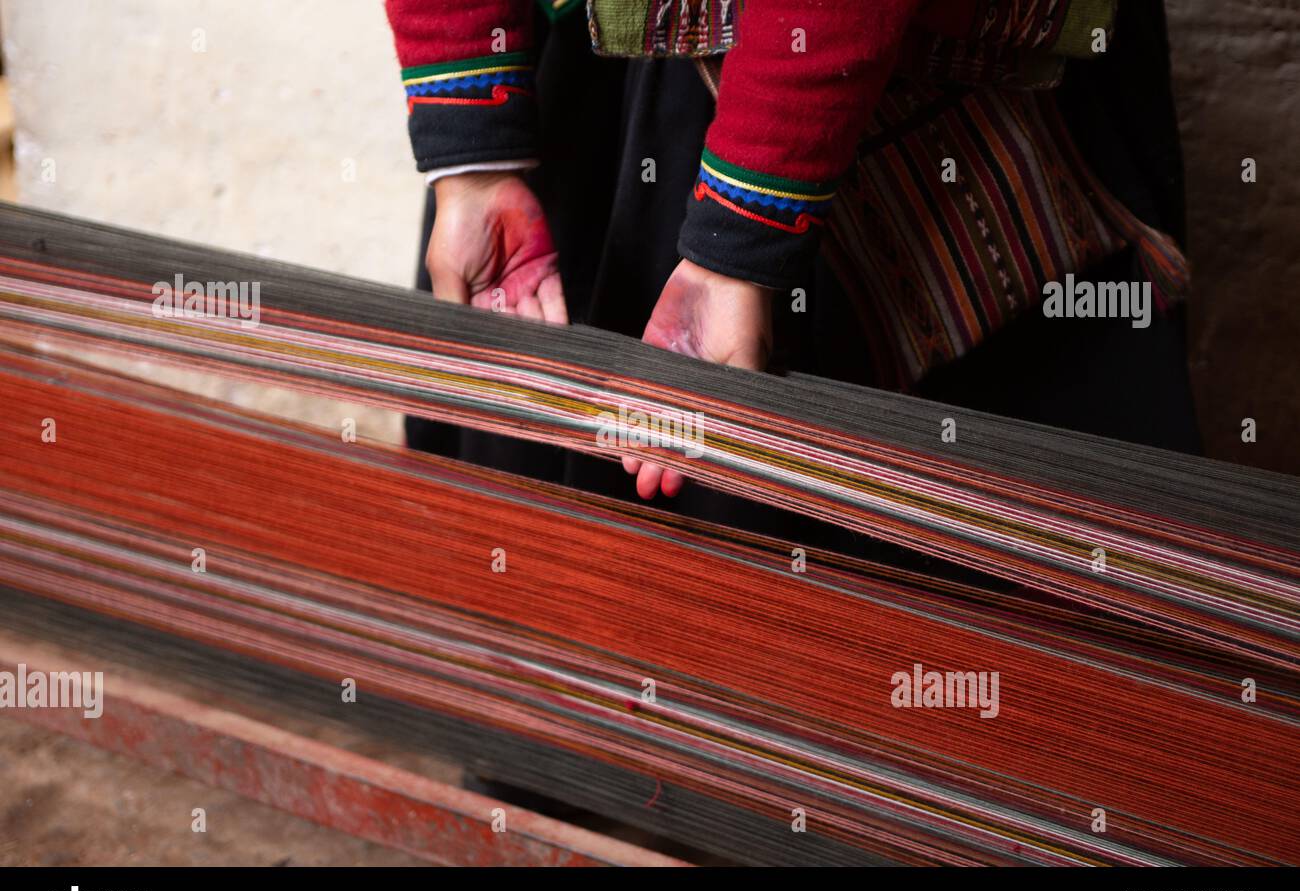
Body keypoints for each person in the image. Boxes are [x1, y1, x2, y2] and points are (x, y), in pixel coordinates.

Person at [384, 0, 1201, 557]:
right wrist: (473, 148)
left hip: (870, 59)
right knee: (532, 505)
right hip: (594, 69)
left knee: (912, 578)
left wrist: (740, 242)